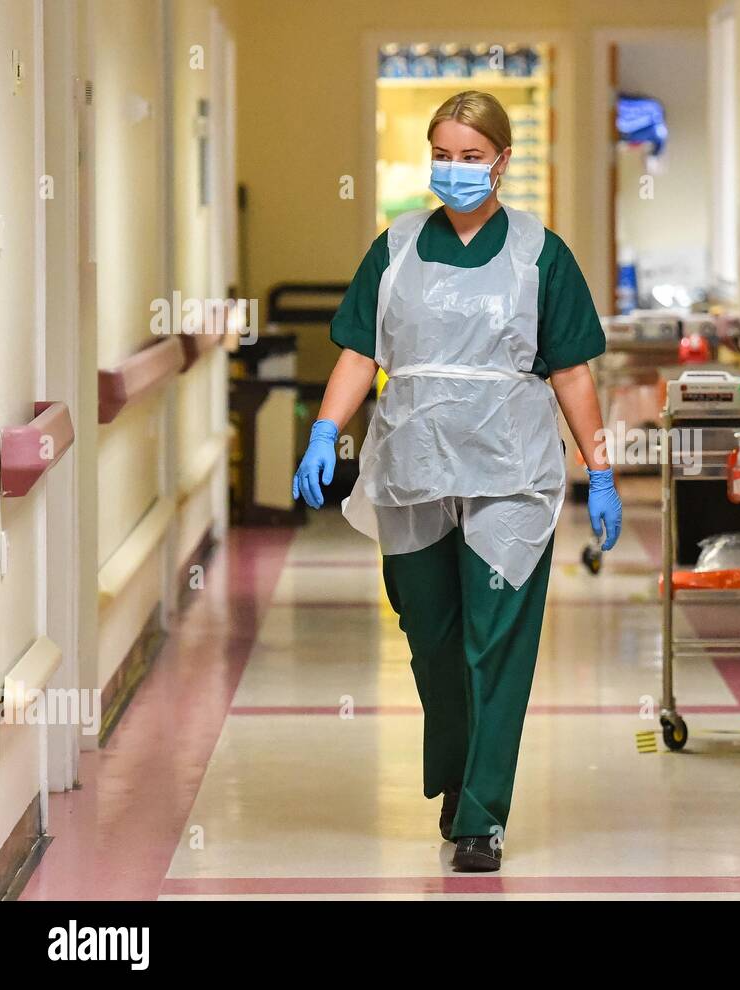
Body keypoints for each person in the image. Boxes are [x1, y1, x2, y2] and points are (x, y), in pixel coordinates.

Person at [292, 90, 621, 872]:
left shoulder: (542, 252)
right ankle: (456, 770)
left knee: (495, 641)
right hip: (413, 465)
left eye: (472, 156)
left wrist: (600, 468)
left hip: (511, 472)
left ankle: (482, 815)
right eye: (443, 153)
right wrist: (323, 431)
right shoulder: (396, 247)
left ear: (504, 161)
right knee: (431, 634)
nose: (456, 168)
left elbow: (572, 372)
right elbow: (359, 351)